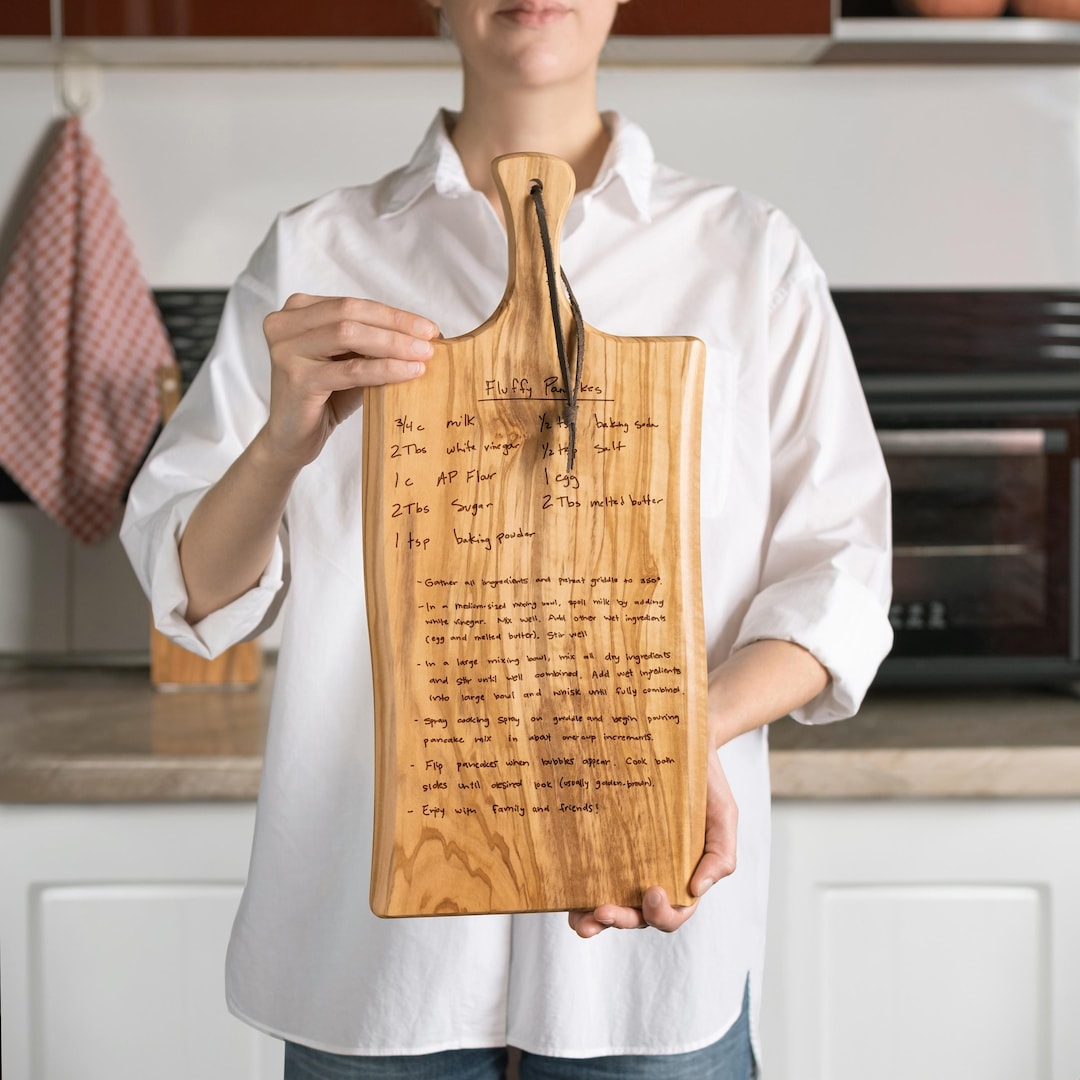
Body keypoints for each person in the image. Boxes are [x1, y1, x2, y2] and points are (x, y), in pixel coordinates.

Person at [121, 1, 893, 1076]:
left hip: (646, 938)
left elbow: (842, 577)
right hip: (371, 961)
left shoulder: (749, 254)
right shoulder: (317, 250)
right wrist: (281, 443)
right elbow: (193, 594)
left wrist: (671, 743)